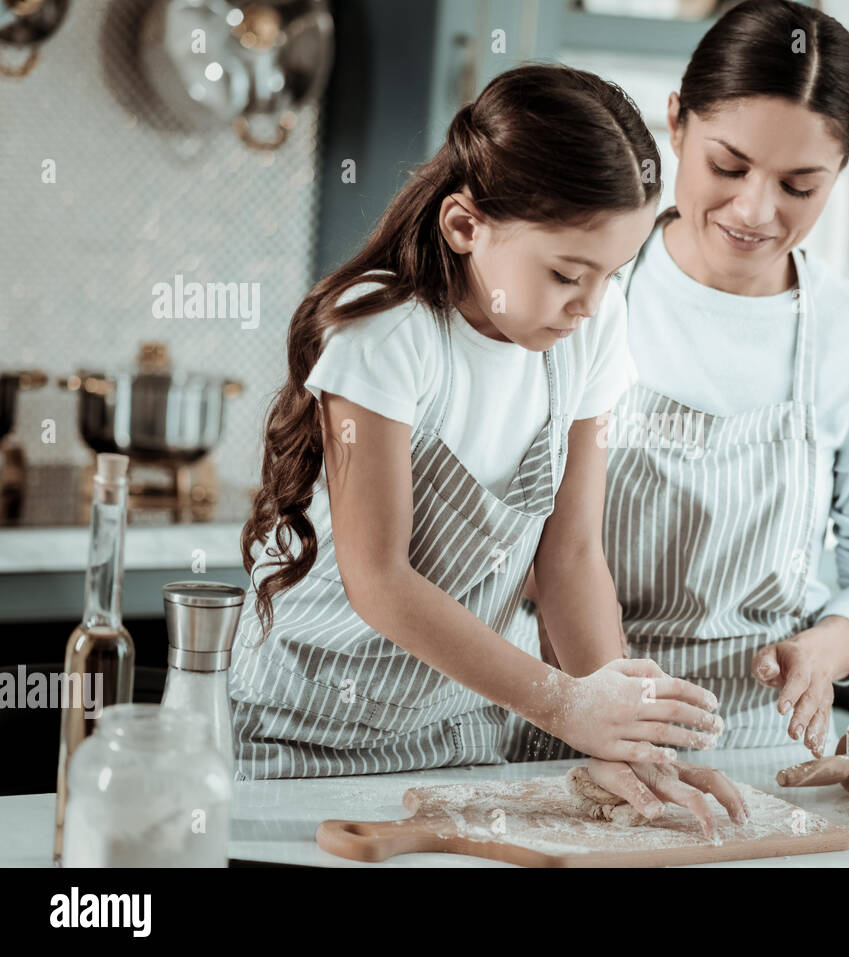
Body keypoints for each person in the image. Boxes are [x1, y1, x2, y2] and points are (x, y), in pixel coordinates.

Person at [227, 65, 729, 786]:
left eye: (612, 274)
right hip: (299, 731)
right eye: (565, 273)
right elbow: (379, 578)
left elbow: (572, 557)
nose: (589, 303)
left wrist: (628, 741)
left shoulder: (586, 329)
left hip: (458, 730)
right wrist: (564, 705)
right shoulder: (388, 332)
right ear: (465, 225)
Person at [506, 0, 849, 824]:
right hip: (557, 728)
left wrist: (825, 647)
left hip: (753, 756)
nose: (754, 210)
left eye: (799, 185)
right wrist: (613, 718)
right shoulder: (579, 297)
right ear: (675, 121)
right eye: (729, 166)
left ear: (841, 168)